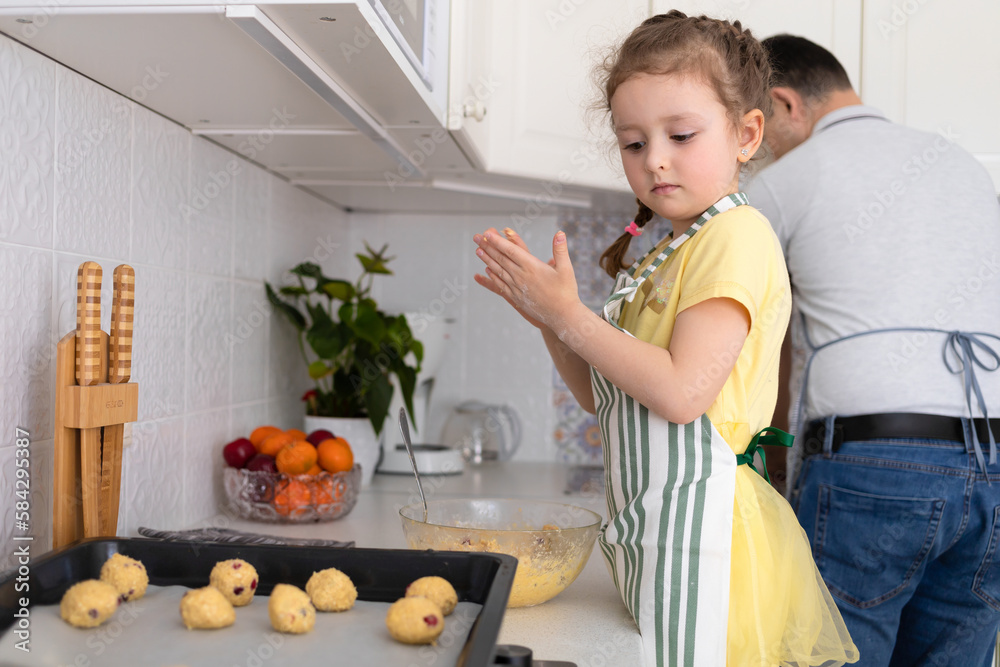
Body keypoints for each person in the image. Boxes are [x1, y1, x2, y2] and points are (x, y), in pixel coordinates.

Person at [473, 12, 858, 667]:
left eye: (681, 134)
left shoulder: (737, 235)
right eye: (632, 142)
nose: (655, 159)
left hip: (707, 547)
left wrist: (570, 314)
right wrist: (548, 318)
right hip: (657, 537)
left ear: (746, 133)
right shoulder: (674, 246)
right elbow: (607, 399)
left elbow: (681, 394)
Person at [744, 34, 1000, 666]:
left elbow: (752, 329)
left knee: (833, 655)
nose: (758, 150)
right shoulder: (962, 162)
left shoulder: (786, 182)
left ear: (784, 104)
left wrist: (768, 470)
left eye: (759, 131)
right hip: (994, 458)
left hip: (874, 471)